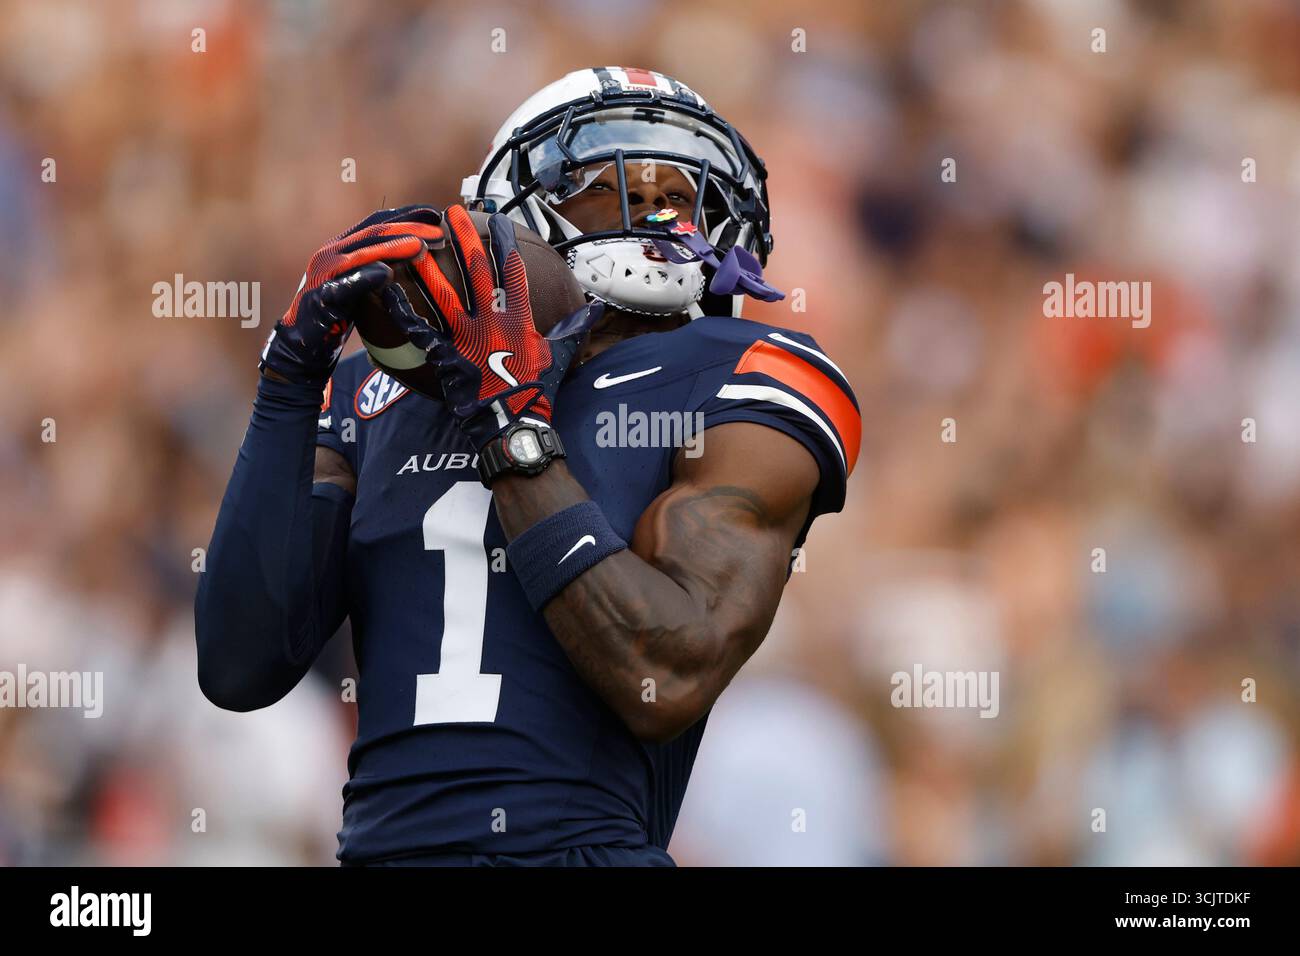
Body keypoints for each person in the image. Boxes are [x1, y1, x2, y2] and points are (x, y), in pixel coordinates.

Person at [195, 67, 860, 866]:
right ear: (511, 216)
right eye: (610, 182)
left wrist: (511, 425)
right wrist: (286, 383)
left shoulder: (740, 370)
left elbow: (669, 674)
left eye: (682, 192)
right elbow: (239, 667)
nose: (659, 209)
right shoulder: (375, 389)